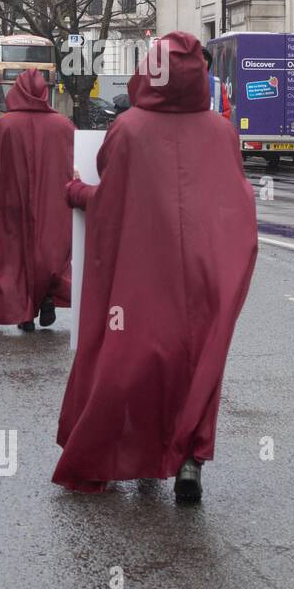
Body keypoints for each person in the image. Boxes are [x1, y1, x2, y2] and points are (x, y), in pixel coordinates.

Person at [53, 33, 257, 501]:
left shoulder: (129, 128)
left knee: (137, 362)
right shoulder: (221, 133)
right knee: (197, 364)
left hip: (143, 278)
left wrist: (76, 192)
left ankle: (140, 452)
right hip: (204, 276)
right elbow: (237, 201)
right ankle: (190, 459)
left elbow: (109, 200)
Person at [0, 69, 73, 332]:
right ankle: (46, 295)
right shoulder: (63, 125)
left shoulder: (7, 124)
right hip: (51, 201)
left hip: (13, 199)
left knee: (16, 253)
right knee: (49, 251)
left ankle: (25, 311)